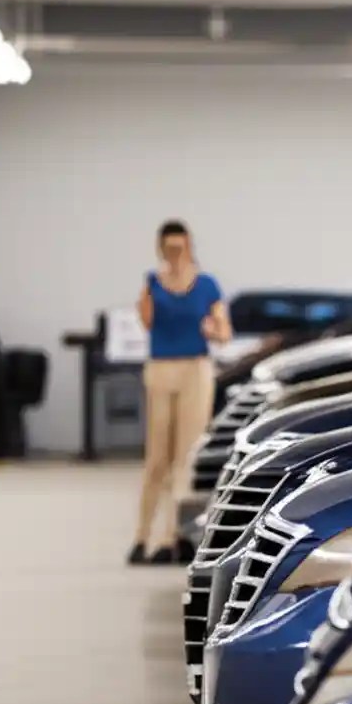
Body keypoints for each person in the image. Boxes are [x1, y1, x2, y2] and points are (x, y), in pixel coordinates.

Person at [129, 221, 231, 565]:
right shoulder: (151, 283)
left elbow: (224, 332)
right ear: (160, 249)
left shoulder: (206, 285)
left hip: (195, 369)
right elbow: (146, 322)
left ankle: (173, 536)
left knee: (187, 455)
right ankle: (142, 535)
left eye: (180, 248)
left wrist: (212, 328)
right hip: (161, 368)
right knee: (157, 455)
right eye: (168, 248)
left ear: (189, 247)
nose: (174, 255)